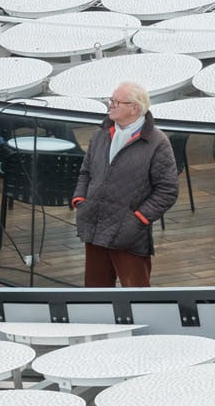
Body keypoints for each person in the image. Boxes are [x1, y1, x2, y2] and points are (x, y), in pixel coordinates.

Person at [70, 82, 179, 288]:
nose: (110, 105)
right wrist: (81, 201)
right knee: (96, 294)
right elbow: (85, 172)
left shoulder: (157, 142)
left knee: (137, 294)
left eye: (117, 102)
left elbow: (167, 190)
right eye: (111, 100)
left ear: (135, 108)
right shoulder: (100, 134)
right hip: (94, 226)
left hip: (129, 233)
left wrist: (138, 219)